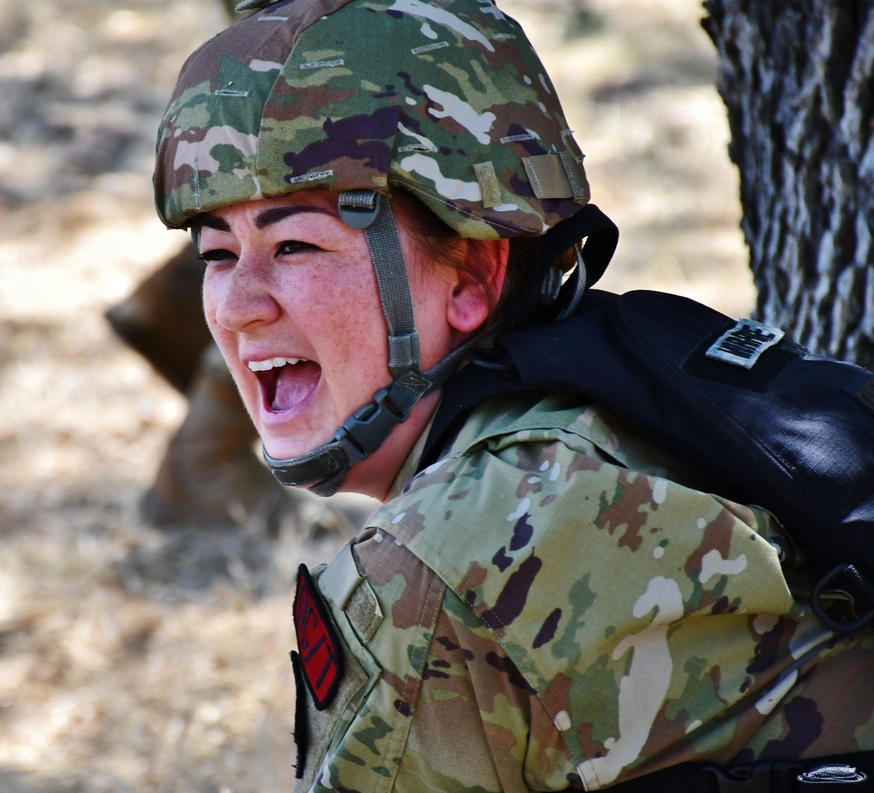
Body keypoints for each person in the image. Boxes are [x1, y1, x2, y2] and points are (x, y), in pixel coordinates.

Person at [152, 0, 874, 790]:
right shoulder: (629, 381)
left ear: (470, 277)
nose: (238, 304)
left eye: (295, 245)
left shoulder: (445, 558)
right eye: (218, 255)